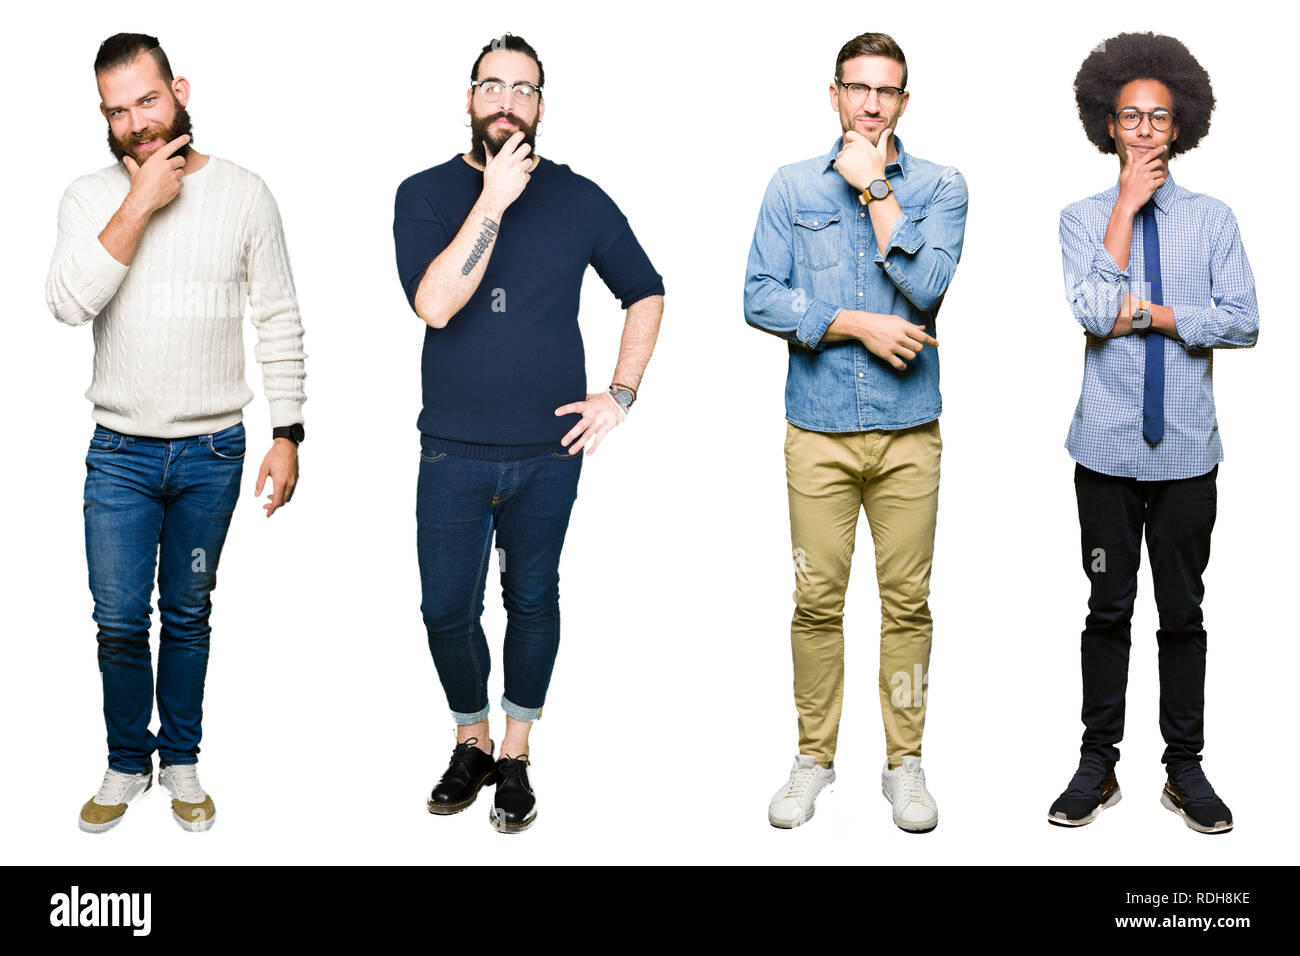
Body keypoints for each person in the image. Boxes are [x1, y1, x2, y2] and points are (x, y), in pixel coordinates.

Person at [393, 34, 664, 834]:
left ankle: (514, 755)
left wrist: (619, 395)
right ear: (469, 99)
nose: (508, 101)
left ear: (541, 107)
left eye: (525, 90)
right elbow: (436, 304)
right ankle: (469, 740)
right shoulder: (425, 194)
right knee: (445, 608)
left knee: (532, 599)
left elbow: (645, 291)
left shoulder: (580, 198)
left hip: (550, 455)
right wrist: (493, 201)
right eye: (493, 87)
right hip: (451, 450)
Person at [47, 33, 308, 833]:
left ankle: (182, 760)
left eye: (148, 100)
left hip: (212, 454)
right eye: (117, 110)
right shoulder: (91, 198)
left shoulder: (244, 193)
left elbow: (278, 316)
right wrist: (141, 201)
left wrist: (287, 431)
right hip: (120, 456)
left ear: (179, 89)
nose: (136, 122)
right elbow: (67, 303)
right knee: (121, 619)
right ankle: (128, 763)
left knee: (188, 611)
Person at [744, 32, 967, 831]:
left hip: (910, 434)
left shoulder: (942, 187)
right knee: (816, 601)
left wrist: (877, 191)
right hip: (820, 433)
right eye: (858, 88)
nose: (871, 104)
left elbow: (929, 286)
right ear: (834, 94)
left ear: (904, 101)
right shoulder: (790, 186)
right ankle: (814, 757)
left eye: (887, 91)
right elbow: (759, 296)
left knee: (908, 604)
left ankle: (904, 764)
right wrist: (853, 323)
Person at [1048, 32, 1258, 834]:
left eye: (1157, 117)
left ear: (1180, 125)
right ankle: (1097, 765)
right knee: (1107, 609)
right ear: (1107, 124)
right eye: (1128, 115)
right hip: (1101, 450)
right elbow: (1097, 312)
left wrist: (1161, 314)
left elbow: (1244, 322)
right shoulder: (1080, 220)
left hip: (1187, 455)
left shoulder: (1214, 220)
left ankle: (1185, 768)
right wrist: (1127, 209)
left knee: (1183, 613)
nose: (1142, 129)